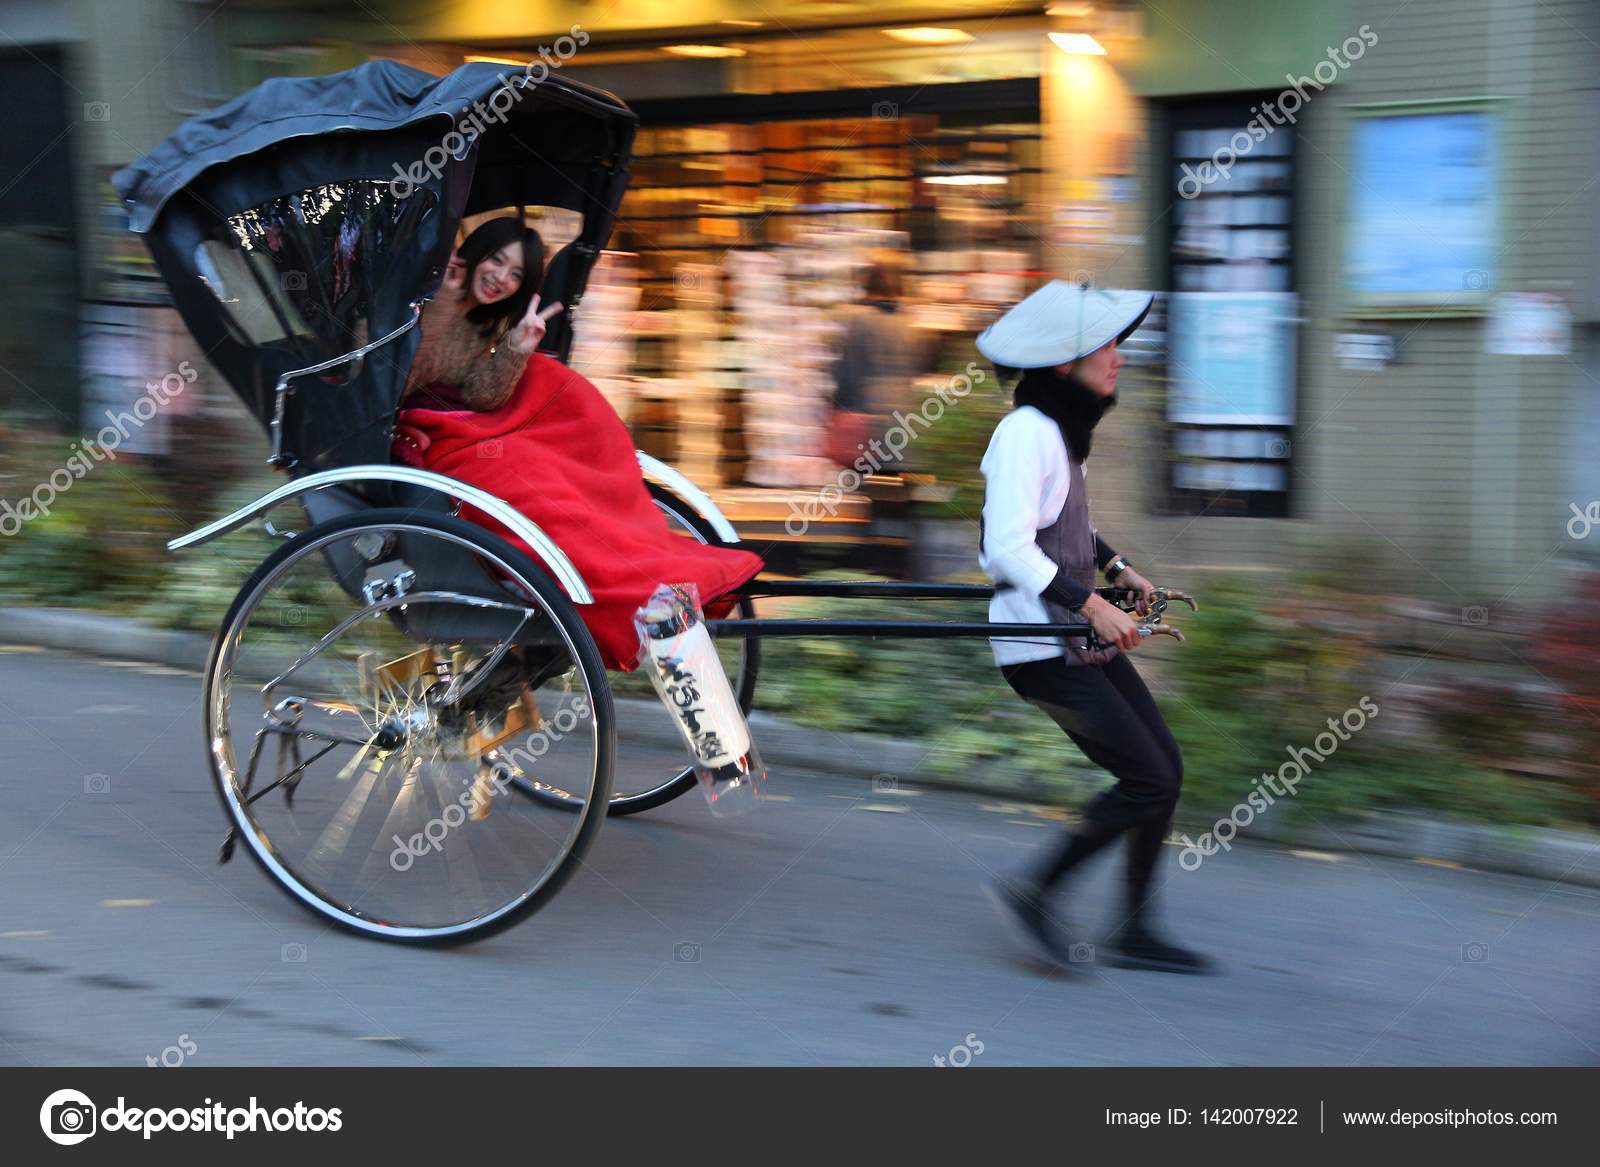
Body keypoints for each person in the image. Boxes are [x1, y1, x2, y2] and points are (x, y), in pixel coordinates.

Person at [393, 217, 764, 671]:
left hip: (473, 429)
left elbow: (482, 396)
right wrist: (445, 300)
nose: (501, 279)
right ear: (473, 254)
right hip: (433, 442)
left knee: (556, 446)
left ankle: (633, 557)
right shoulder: (422, 307)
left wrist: (517, 344)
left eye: (516, 275)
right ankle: (602, 582)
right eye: (496, 260)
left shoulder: (481, 325)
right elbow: (402, 378)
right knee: (527, 476)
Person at [975, 281, 1212, 975]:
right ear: (1062, 362)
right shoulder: (1024, 434)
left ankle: (1135, 928)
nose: (1119, 357)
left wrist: (1117, 567)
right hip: (1040, 645)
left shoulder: (1059, 432)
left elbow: (1067, 524)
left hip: (1075, 634)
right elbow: (1005, 547)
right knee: (1143, 777)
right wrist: (1092, 603)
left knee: (1163, 771)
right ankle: (1033, 890)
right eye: (1105, 346)